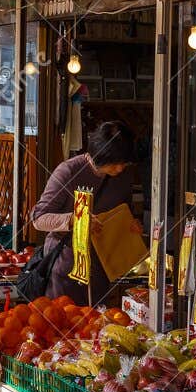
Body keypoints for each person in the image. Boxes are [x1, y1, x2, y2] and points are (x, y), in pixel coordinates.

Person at [28, 120, 137, 307]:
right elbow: (38, 217)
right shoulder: (68, 171)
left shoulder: (123, 177)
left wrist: (130, 224)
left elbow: (123, 211)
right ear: (100, 154)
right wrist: (73, 219)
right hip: (65, 273)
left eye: (124, 163)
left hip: (102, 270)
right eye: (115, 163)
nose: (119, 169)